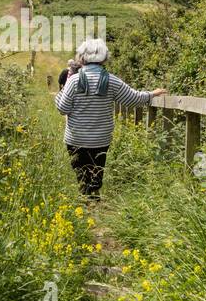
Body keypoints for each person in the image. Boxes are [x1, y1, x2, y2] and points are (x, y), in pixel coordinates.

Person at [55, 38, 165, 200]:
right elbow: (133, 99)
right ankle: (93, 197)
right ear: (104, 58)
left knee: (81, 172)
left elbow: (62, 108)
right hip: (100, 139)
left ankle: (85, 199)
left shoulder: (73, 81)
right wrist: (151, 94)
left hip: (75, 138)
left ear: (81, 58)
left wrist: (59, 94)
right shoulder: (112, 81)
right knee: (96, 170)